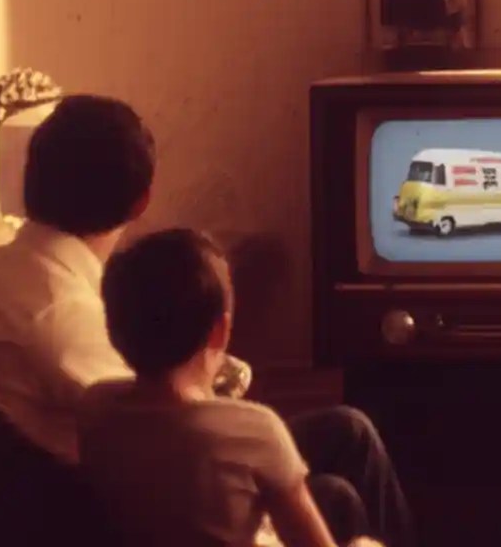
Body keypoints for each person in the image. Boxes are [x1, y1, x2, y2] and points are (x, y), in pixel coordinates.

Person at [0, 95, 413, 547]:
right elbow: (173, 437)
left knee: (347, 430)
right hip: (82, 517)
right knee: (335, 491)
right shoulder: (63, 314)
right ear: (142, 200)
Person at [80, 228, 377, 547]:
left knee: (343, 464)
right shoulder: (256, 430)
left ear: (112, 332)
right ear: (219, 332)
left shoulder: (95, 406)